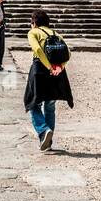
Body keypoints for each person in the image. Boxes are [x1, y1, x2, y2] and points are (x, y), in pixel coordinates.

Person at [24, 9, 73, 152]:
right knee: (50, 105)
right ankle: (48, 142)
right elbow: (68, 53)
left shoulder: (33, 33)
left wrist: (48, 66)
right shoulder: (56, 34)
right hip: (58, 72)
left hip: (40, 69)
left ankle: (43, 130)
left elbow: (38, 50)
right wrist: (58, 68)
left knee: (32, 102)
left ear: (34, 23)